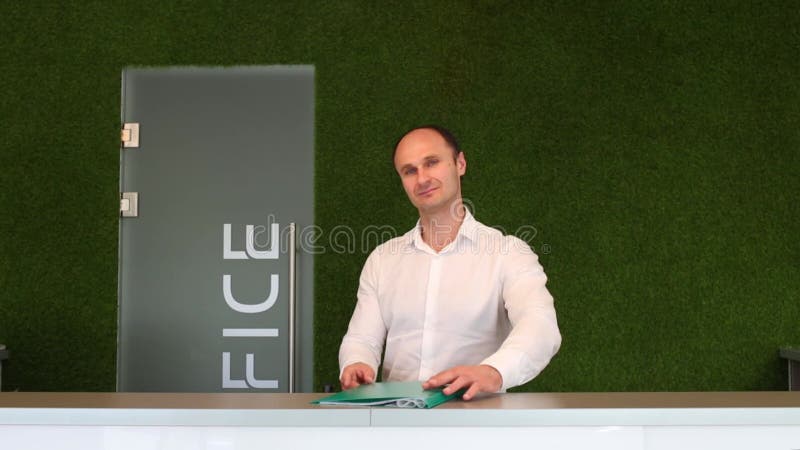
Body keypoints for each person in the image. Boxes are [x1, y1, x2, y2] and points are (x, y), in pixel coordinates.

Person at [338, 125, 561, 400]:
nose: (422, 178)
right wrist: (357, 363)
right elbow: (362, 339)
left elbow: (540, 325)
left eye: (431, 162)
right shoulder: (383, 259)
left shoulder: (508, 253)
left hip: (478, 425)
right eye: (409, 171)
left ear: (460, 163)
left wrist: (493, 371)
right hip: (397, 425)